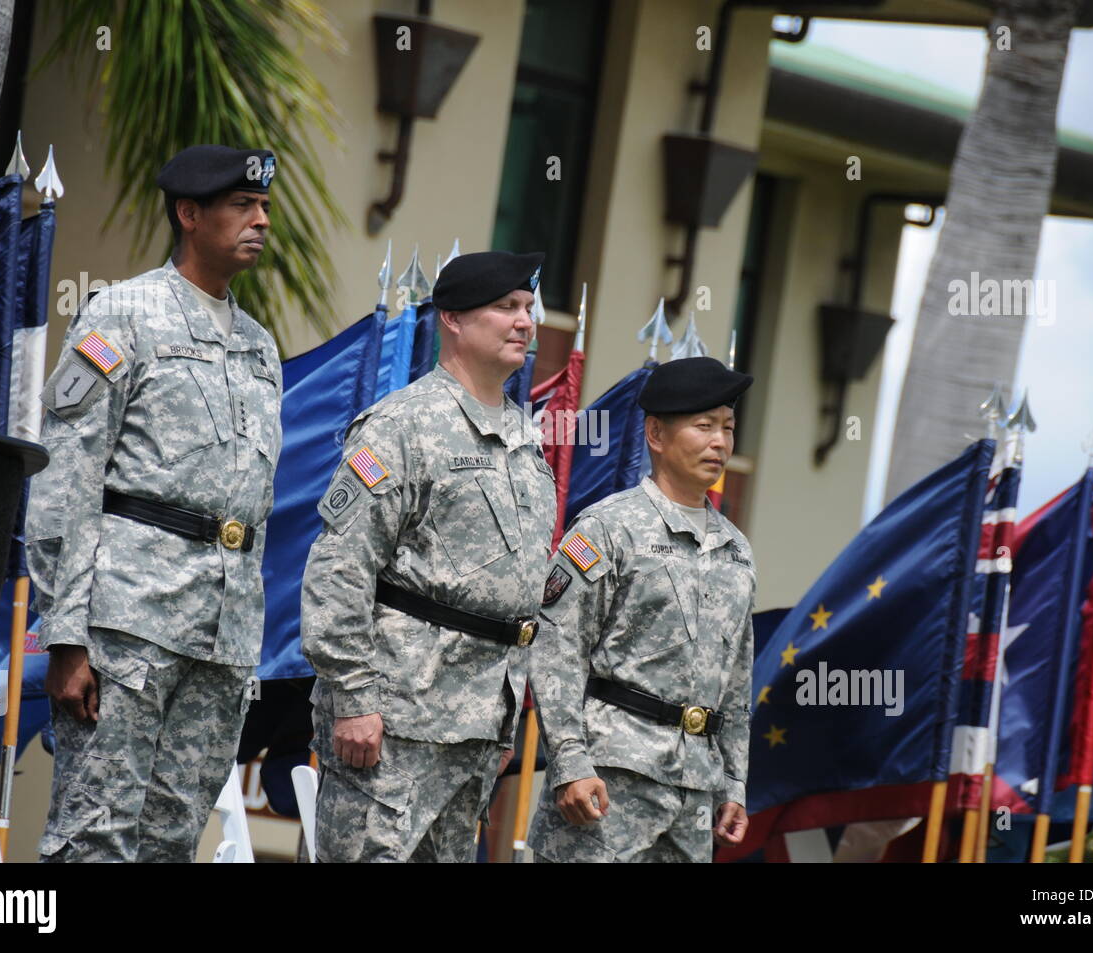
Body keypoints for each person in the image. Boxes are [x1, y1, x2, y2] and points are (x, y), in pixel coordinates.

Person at [26, 144, 282, 862]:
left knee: (169, 844)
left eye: (264, 207)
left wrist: (246, 649)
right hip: (127, 626)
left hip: (220, 640)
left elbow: (252, 511)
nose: (260, 220)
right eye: (242, 205)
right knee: (95, 837)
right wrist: (67, 633)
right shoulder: (123, 314)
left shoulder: (262, 351)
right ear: (189, 213)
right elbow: (67, 480)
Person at [301, 250, 555, 862]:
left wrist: (506, 718)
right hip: (396, 716)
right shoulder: (402, 425)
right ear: (453, 320)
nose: (525, 322)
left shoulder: (527, 438)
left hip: (477, 723)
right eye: (505, 308)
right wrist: (355, 698)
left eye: (528, 308)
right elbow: (340, 569)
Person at [528, 356, 756, 862]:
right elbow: (555, 649)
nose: (720, 442)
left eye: (729, 428)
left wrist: (734, 782)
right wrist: (569, 761)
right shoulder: (608, 529)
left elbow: (736, 682)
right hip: (609, 782)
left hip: (695, 793)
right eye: (704, 427)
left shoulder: (736, 550)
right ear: (655, 434)